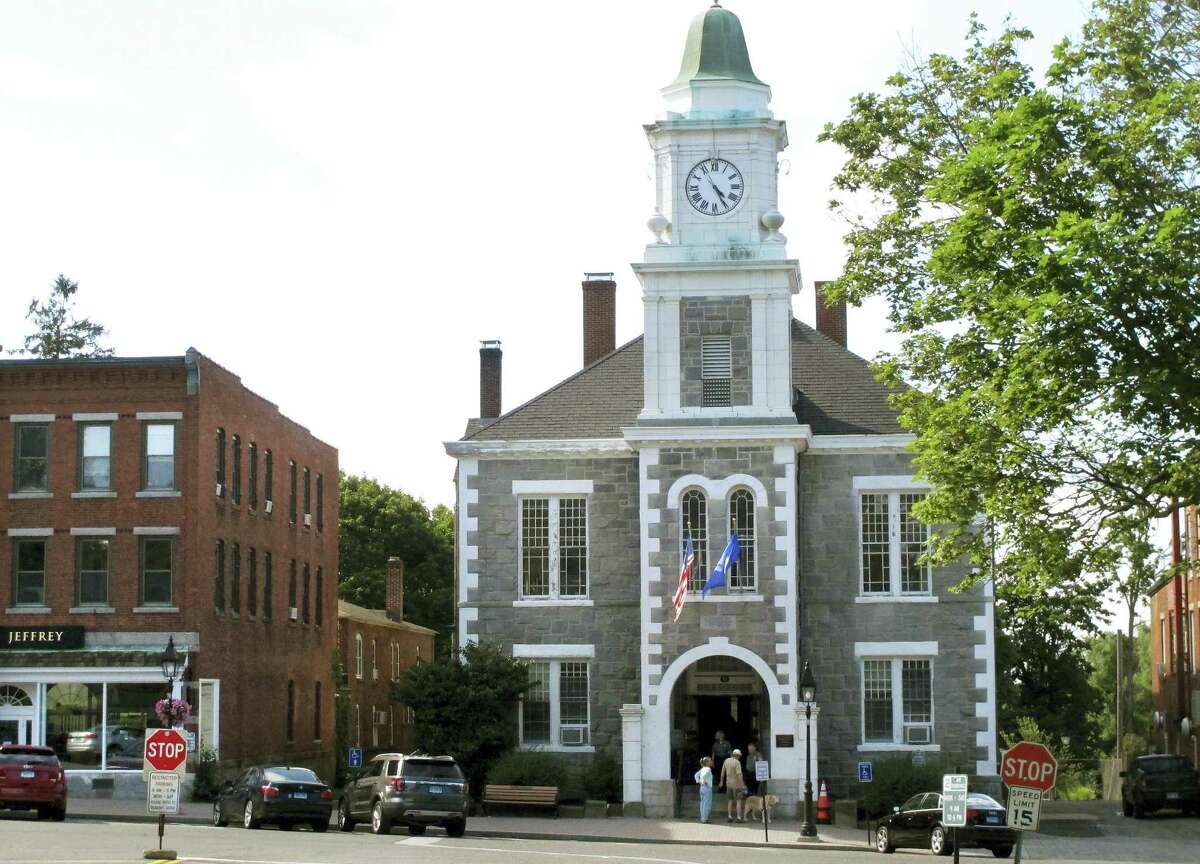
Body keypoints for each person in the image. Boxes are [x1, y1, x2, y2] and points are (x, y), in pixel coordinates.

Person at [720, 748, 747, 822]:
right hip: (737, 784)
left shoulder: (726, 761)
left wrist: (721, 781)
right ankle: (738, 817)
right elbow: (739, 775)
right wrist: (743, 785)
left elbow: (722, 773)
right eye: (739, 756)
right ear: (738, 756)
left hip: (728, 784)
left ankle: (729, 816)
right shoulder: (737, 762)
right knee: (738, 801)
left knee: (730, 801)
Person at [693, 757, 714, 823]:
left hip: (702, 787)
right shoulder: (708, 769)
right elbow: (704, 775)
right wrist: (703, 780)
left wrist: (699, 781)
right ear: (707, 762)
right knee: (707, 803)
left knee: (702, 802)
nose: (711, 762)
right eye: (710, 761)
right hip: (707, 787)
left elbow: (696, 775)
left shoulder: (702, 769)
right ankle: (705, 818)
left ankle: (703, 817)